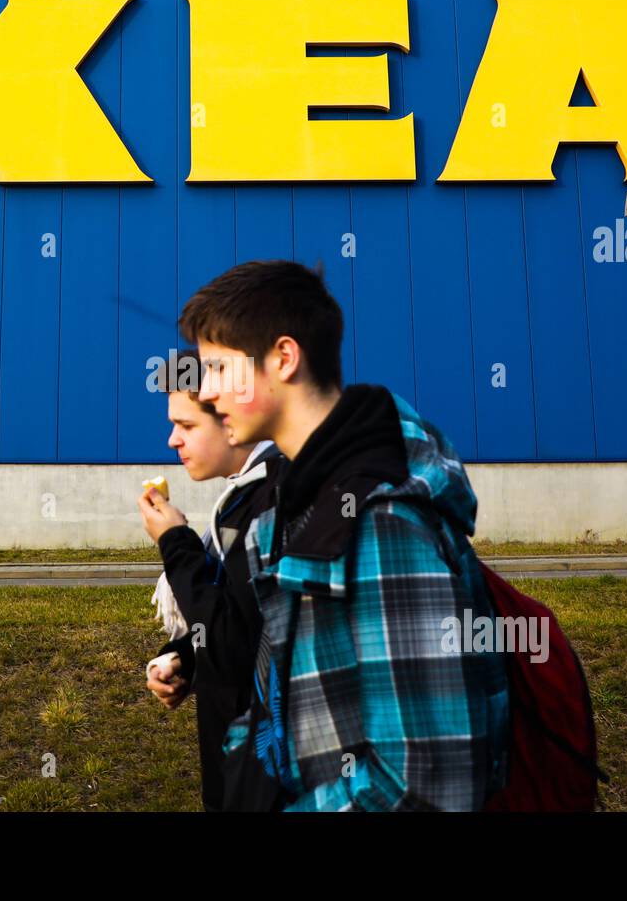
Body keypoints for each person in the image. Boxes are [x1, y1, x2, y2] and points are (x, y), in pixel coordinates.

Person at [180, 260, 510, 811]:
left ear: (283, 358)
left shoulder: (380, 523)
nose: (207, 394)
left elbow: (424, 787)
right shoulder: (298, 506)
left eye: (216, 368)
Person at [136, 349, 284, 812]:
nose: (171, 440)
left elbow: (235, 646)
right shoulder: (240, 499)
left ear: (230, 418)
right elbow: (244, 625)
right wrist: (184, 660)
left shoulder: (269, 503)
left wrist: (175, 542)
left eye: (187, 425)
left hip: (265, 782)